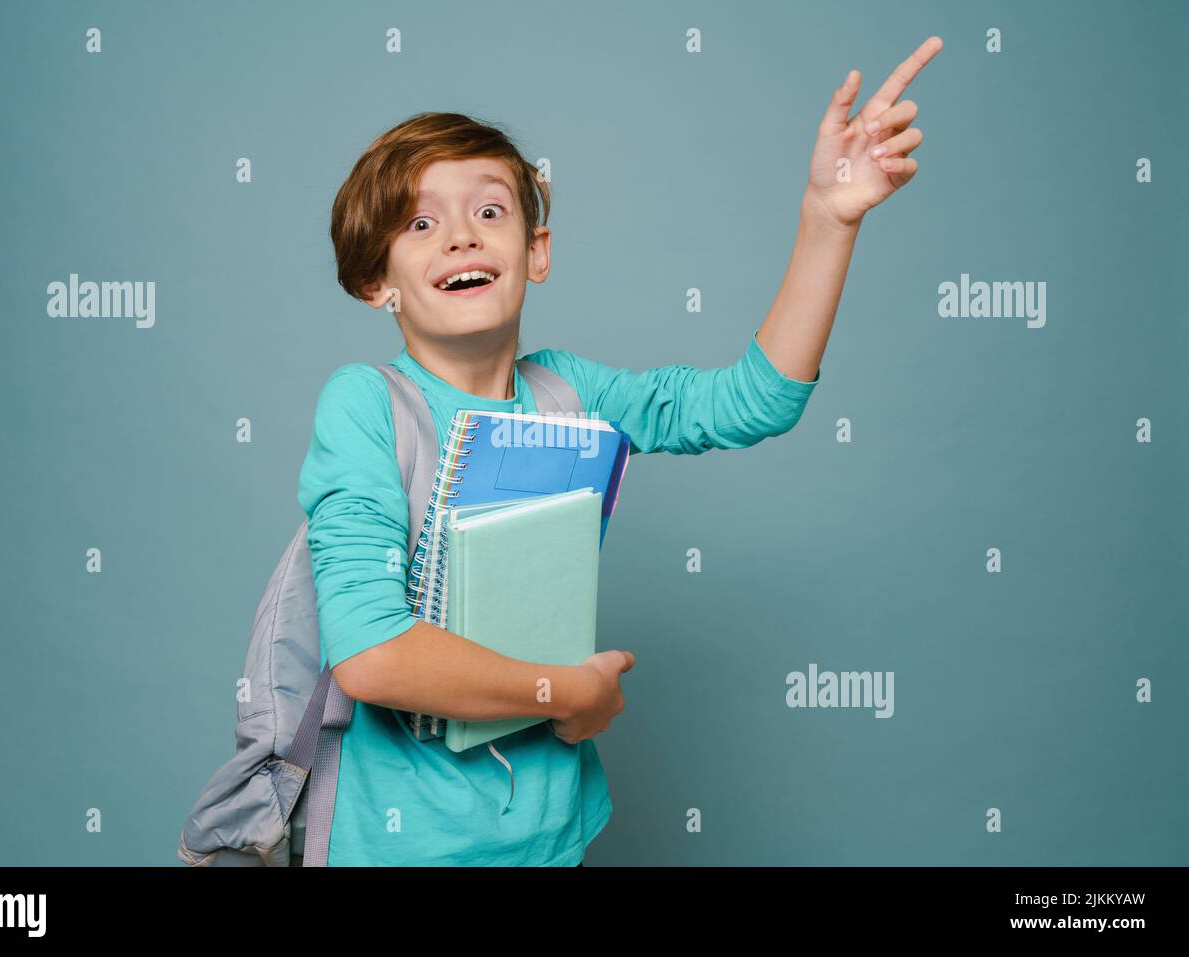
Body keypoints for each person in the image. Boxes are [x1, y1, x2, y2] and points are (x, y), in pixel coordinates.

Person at [296, 36, 941, 867]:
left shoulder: (571, 391)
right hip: (401, 849)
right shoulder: (366, 405)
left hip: (554, 835)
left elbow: (754, 401)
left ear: (537, 252)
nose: (461, 236)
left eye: (490, 211)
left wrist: (827, 220)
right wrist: (570, 692)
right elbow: (371, 655)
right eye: (420, 223)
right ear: (374, 281)